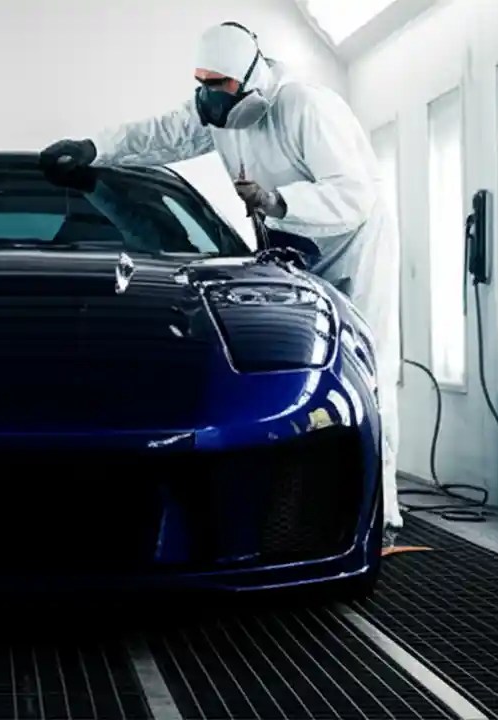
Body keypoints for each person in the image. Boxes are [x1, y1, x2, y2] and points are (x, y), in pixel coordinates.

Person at [40, 21, 403, 529]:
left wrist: (279, 201)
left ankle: (379, 509)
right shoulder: (217, 116)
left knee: (366, 362)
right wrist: (94, 149)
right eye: (201, 82)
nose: (207, 96)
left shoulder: (306, 107)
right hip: (288, 239)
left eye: (218, 85)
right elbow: (158, 136)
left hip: (353, 242)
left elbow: (355, 194)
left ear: (251, 78)